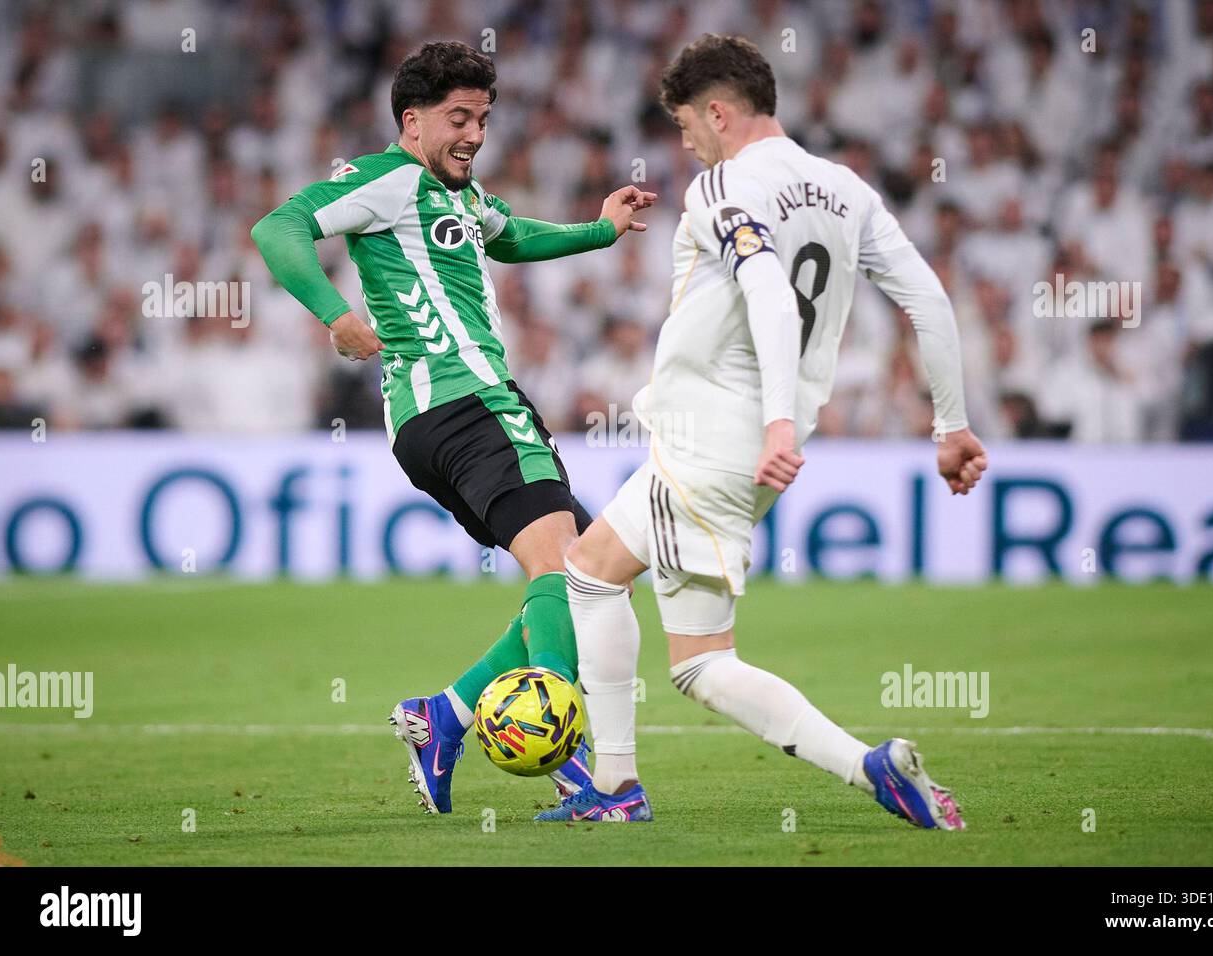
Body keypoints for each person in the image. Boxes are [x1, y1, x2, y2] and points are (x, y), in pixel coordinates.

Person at [538, 35, 986, 828]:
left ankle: (615, 790)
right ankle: (872, 769)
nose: (684, 145)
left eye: (685, 126)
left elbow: (771, 293)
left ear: (717, 112)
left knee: (600, 580)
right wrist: (950, 426)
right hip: (749, 451)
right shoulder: (847, 190)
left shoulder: (722, 186)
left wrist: (777, 422)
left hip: (718, 435)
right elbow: (930, 302)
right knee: (674, 638)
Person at [250, 41, 655, 815]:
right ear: (412, 120)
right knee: (567, 569)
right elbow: (278, 228)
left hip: (447, 418)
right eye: (457, 118)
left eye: (483, 119)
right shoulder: (389, 179)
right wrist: (335, 315)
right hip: (466, 404)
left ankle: (447, 715)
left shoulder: (457, 195)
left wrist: (599, 229)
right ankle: (577, 763)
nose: (474, 133)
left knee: (591, 574)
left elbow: (513, 236)